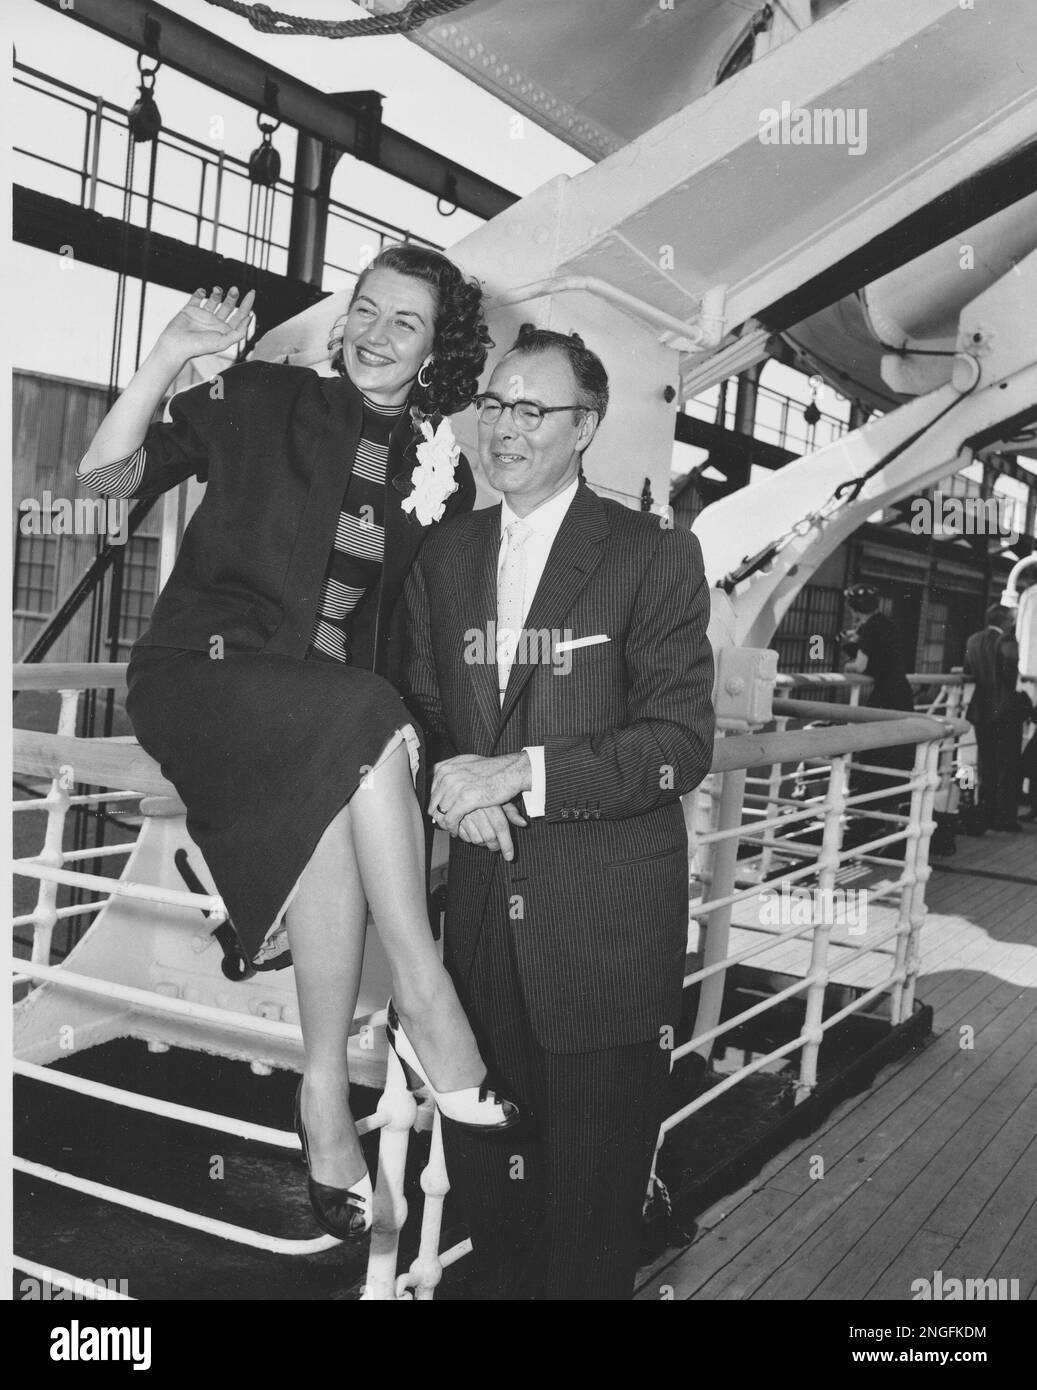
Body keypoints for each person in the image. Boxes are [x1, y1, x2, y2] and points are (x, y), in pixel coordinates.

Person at [77, 246, 518, 1242]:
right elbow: (100, 490)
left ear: (434, 348)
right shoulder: (262, 396)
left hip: (323, 713)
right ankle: (423, 990)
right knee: (362, 719)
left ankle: (322, 1100)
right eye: (364, 309)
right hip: (201, 673)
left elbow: (415, 644)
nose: (372, 332)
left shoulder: (434, 471)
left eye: (402, 322)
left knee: (350, 783)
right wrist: (164, 360)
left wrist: (458, 759)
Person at [402, 324, 715, 1299]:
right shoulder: (444, 556)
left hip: (600, 951)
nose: (502, 426)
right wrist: (450, 781)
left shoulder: (649, 557)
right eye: (492, 404)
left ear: (584, 428)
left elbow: (677, 744)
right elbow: (411, 712)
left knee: (583, 1248)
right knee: (494, 1237)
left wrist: (519, 774)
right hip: (483, 955)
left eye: (529, 409)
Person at [839, 584, 915, 850]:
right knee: (894, 762)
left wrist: (848, 660)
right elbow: (881, 659)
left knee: (873, 757)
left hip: (884, 698)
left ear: (855, 611)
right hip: (902, 696)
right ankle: (890, 828)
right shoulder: (886, 624)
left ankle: (861, 824)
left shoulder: (869, 629)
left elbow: (860, 666)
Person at [964, 604, 1031, 831]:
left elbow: (967, 671)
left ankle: (986, 814)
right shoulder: (1008, 641)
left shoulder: (973, 640)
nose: (1012, 623)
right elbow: (1010, 675)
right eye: (1011, 619)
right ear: (1004, 621)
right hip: (1005, 713)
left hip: (980, 712)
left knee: (987, 765)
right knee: (1008, 766)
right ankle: (1005, 819)